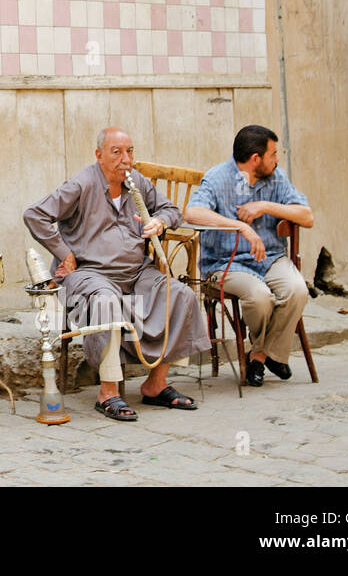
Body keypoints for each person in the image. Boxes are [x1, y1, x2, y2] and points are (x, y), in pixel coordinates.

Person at [23, 127, 210, 422]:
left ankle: (155, 384)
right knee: (106, 300)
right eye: (117, 152)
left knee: (181, 294)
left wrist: (159, 222)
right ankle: (108, 391)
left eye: (130, 151)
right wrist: (64, 253)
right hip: (90, 274)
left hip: (136, 273)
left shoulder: (136, 183)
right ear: (99, 156)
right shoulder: (82, 183)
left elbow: (172, 210)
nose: (126, 159)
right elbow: (35, 214)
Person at [184, 125, 314, 387]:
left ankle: (259, 355)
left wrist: (265, 206)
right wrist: (240, 226)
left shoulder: (277, 178)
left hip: (272, 258)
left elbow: (307, 217)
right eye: (273, 154)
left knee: (298, 289)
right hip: (226, 264)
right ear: (256, 158)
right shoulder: (218, 177)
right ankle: (272, 354)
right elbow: (192, 213)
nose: (277, 159)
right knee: (259, 297)